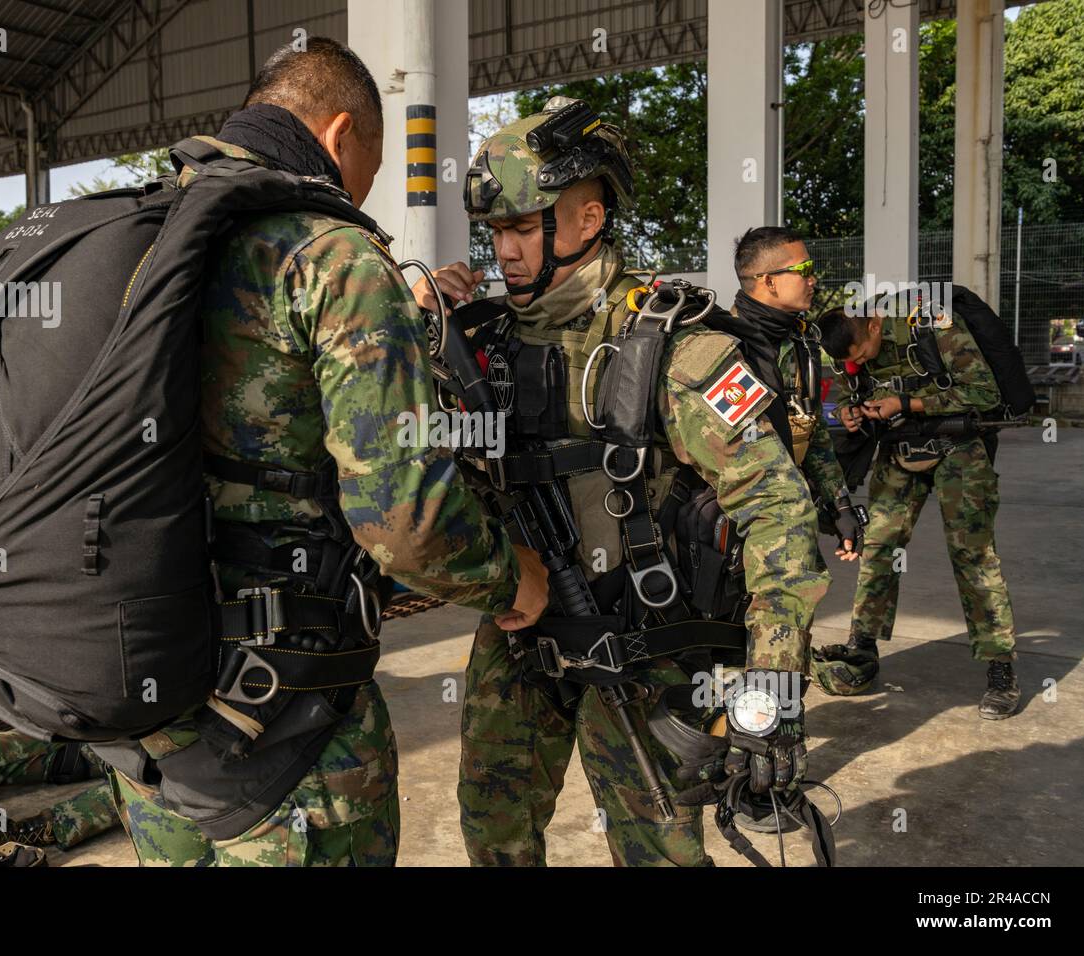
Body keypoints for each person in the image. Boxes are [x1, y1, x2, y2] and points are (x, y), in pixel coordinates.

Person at [90, 36, 546, 868]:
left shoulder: (139, 237)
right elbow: (405, 525)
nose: (358, 192)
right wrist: (512, 578)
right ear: (341, 136)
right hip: (287, 722)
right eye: (364, 170)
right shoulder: (329, 255)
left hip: (145, 704)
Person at [413, 99, 832, 866]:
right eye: (494, 231)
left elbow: (777, 509)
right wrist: (415, 336)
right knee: (493, 834)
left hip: (643, 642)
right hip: (519, 630)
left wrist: (772, 688)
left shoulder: (673, 345)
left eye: (519, 226)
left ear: (586, 219)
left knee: (660, 852)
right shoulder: (479, 338)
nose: (502, 249)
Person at [812, 300, 1020, 718]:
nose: (857, 363)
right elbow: (857, 397)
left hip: (959, 452)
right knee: (878, 550)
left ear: (874, 325)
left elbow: (983, 391)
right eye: (848, 361)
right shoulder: (849, 349)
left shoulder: (932, 326)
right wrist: (854, 413)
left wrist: (906, 405)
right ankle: (862, 648)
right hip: (899, 452)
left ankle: (1001, 668)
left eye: (860, 353)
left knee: (973, 557)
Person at [727, 226, 864, 564]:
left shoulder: (800, 343)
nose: (813, 279)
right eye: (803, 271)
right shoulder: (722, 346)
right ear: (768, 280)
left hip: (790, 520)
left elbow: (812, 431)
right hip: (733, 525)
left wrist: (840, 505)